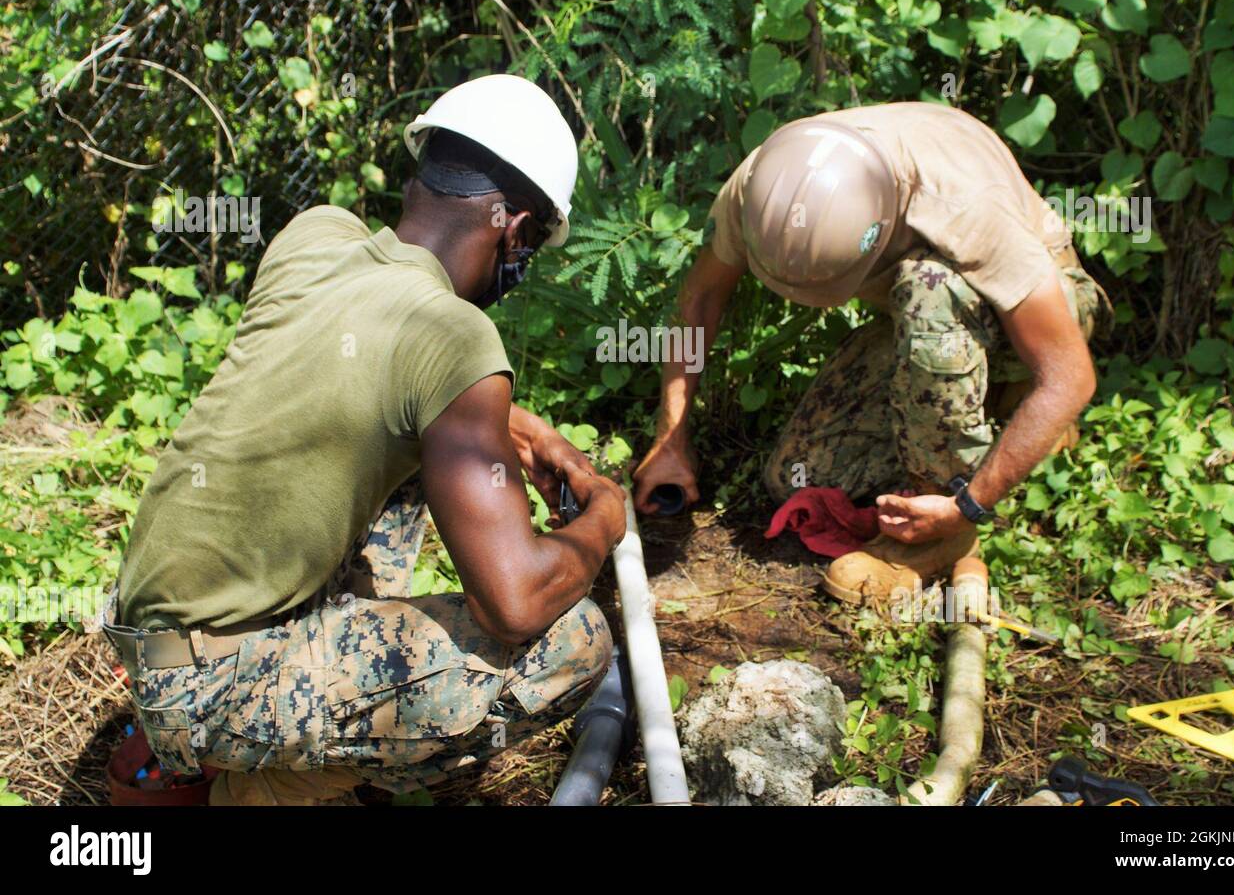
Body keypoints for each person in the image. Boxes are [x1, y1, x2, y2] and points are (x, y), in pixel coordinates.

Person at [104, 75, 626, 805]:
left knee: (417, 459)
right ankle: (240, 791)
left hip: (151, 642)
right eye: (531, 249)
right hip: (212, 685)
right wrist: (603, 516)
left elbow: (365, 364)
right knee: (574, 643)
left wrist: (528, 432)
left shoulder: (315, 237)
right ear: (515, 230)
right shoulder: (455, 336)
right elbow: (516, 604)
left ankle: (225, 738)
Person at [632, 103, 1111, 603]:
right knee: (800, 476)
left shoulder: (963, 208)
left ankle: (937, 524)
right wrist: (671, 437)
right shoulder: (770, 182)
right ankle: (1001, 409)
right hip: (927, 326)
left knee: (928, 287)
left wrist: (967, 506)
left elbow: (1070, 377)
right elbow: (703, 298)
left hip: (1040, 311)